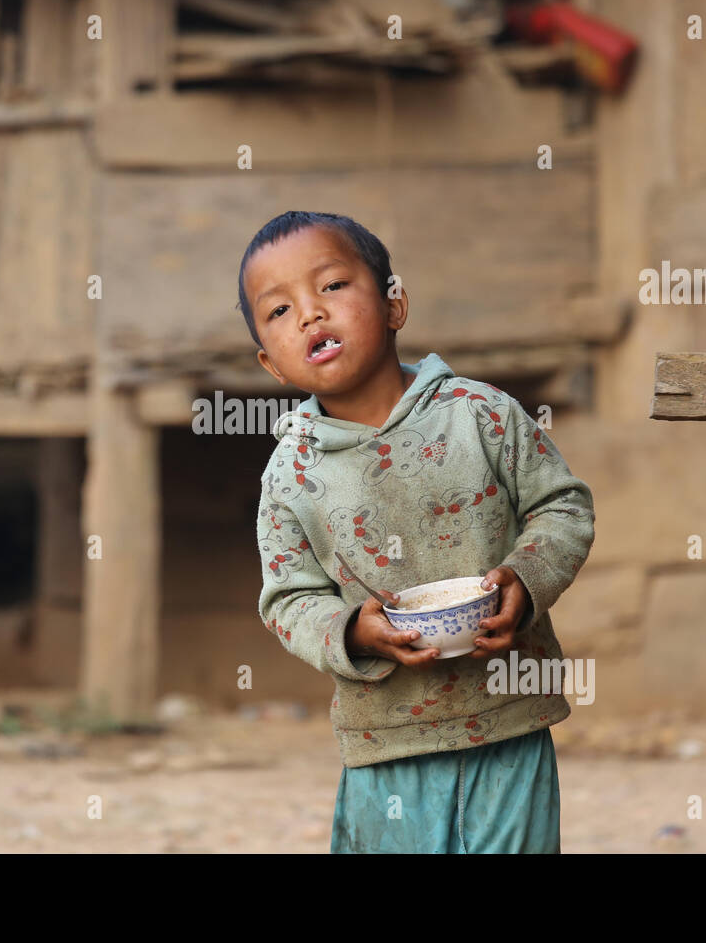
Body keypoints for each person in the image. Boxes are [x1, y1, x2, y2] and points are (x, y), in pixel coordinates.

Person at [240, 211, 596, 853]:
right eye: (279, 310)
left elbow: (562, 507)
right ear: (272, 365)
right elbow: (288, 598)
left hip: (508, 721)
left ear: (394, 304)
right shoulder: (290, 473)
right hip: (385, 743)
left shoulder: (479, 413)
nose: (310, 315)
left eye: (333, 287)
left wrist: (525, 578)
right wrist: (351, 631)